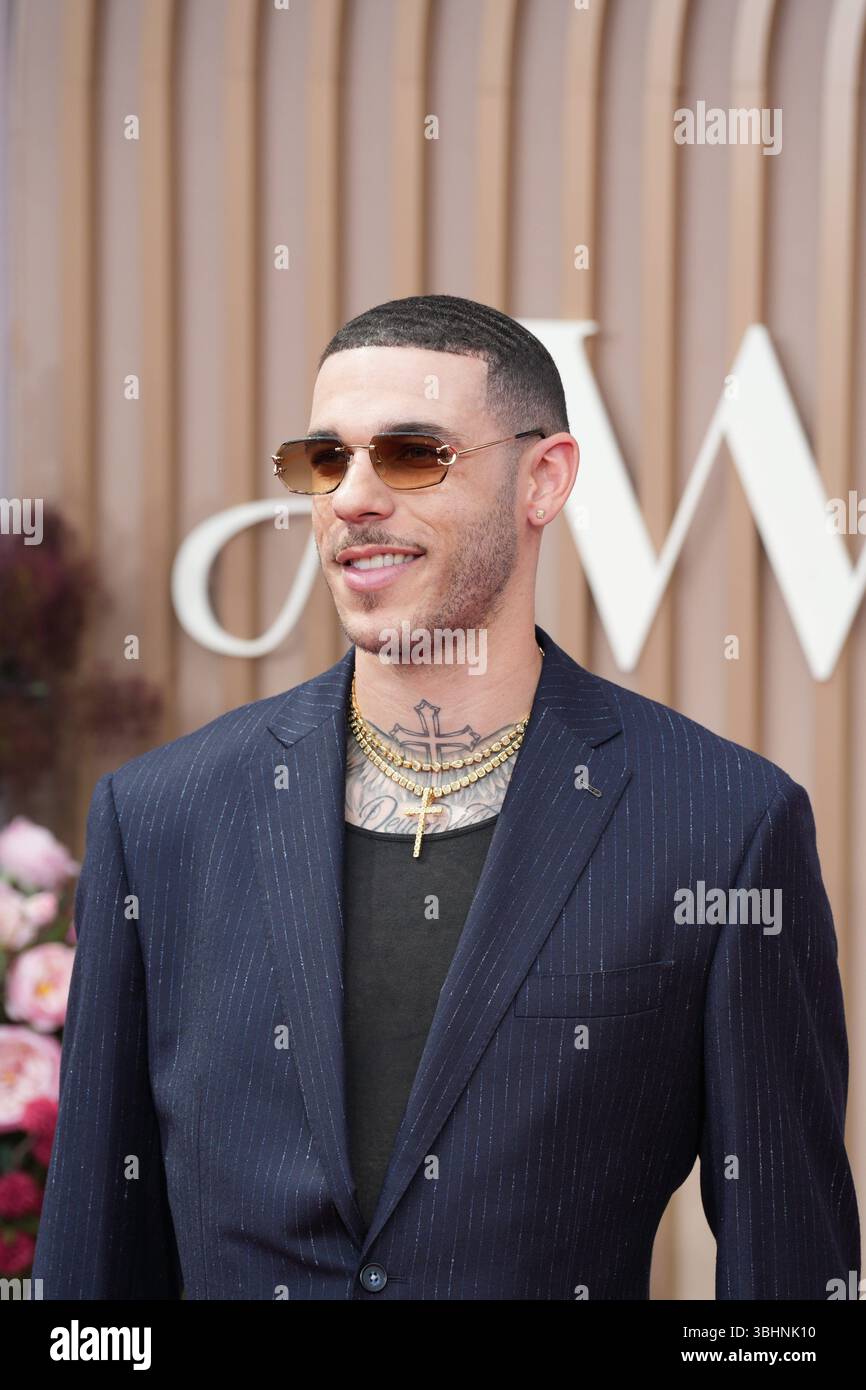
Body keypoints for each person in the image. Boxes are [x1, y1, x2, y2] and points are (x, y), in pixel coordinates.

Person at [33, 293, 859, 1299]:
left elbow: (787, 1280)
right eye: (325, 460)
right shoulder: (160, 817)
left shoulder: (720, 825)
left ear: (542, 479)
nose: (350, 498)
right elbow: (92, 1270)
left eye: (413, 453)